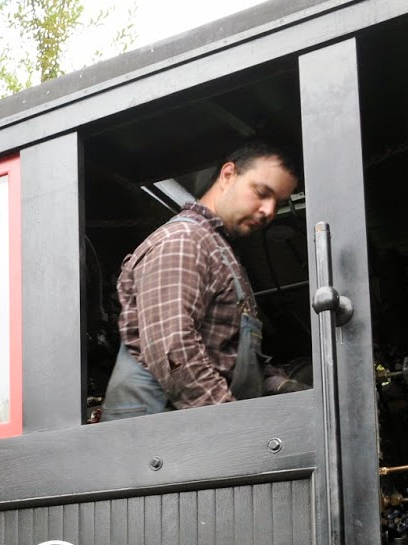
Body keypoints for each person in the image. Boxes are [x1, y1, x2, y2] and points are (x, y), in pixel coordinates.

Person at [102, 143, 306, 420]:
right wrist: (230, 423)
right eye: (262, 193)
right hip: (158, 432)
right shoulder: (183, 240)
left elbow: (229, 358)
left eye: (278, 203)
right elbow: (173, 350)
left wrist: (282, 387)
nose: (269, 211)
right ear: (227, 175)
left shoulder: (217, 249)